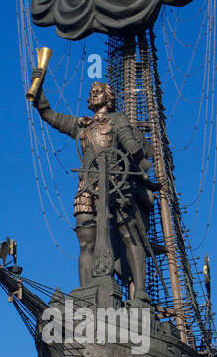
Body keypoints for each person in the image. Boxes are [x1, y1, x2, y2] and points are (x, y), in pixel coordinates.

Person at [32, 81, 156, 296]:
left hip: (116, 184)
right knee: (85, 240)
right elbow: (49, 115)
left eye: (99, 92)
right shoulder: (81, 125)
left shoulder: (118, 120)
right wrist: (38, 88)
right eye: (92, 93)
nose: (95, 95)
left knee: (129, 235)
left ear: (108, 97)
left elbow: (129, 143)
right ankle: (87, 292)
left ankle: (140, 293)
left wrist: (134, 149)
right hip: (87, 186)